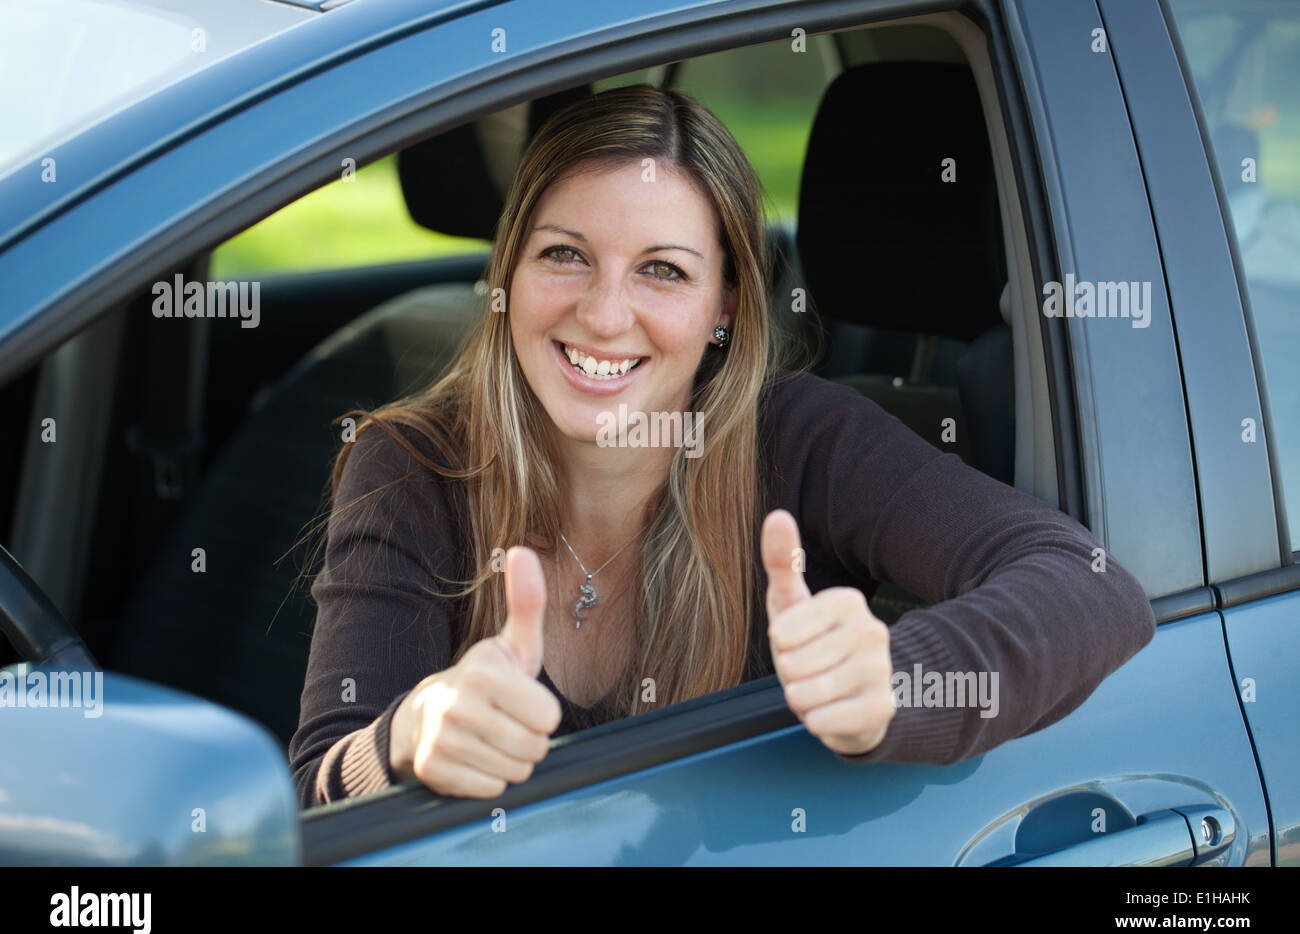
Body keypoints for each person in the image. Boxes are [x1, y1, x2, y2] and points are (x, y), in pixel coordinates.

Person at [288, 84, 1156, 809]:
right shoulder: (413, 464)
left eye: (662, 270)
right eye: (565, 256)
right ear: (508, 274)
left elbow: (1094, 590)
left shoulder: (800, 438)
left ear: (726, 308)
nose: (603, 314)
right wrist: (404, 738)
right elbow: (317, 791)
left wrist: (897, 681)